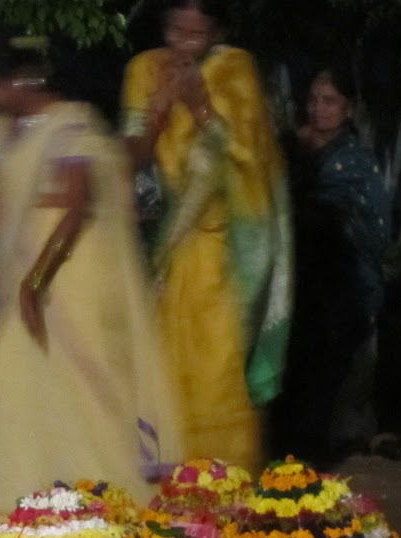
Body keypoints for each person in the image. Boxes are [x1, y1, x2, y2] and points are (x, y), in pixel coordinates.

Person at [0, 34, 184, 536]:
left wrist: (36, 281)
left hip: (74, 271)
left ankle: (100, 493)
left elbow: (76, 207)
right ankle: (17, 494)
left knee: (80, 382)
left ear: (19, 79)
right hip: (23, 266)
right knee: (17, 377)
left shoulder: (73, 124)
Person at [121, 0, 291, 470]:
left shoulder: (236, 69)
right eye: (176, 31)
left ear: (217, 31)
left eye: (195, 35)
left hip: (224, 245)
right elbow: (131, 159)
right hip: (163, 245)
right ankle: (163, 472)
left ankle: (222, 477)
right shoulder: (143, 68)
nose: (183, 44)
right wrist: (157, 110)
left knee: (217, 364)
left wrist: (199, 106)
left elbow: (250, 160)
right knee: (160, 363)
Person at [274, 65, 391, 468]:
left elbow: (365, 224)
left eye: (330, 101)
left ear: (349, 108)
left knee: (330, 383)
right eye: (313, 100)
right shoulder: (293, 148)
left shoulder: (354, 162)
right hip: (295, 279)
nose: (319, 109)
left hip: (339, 282)